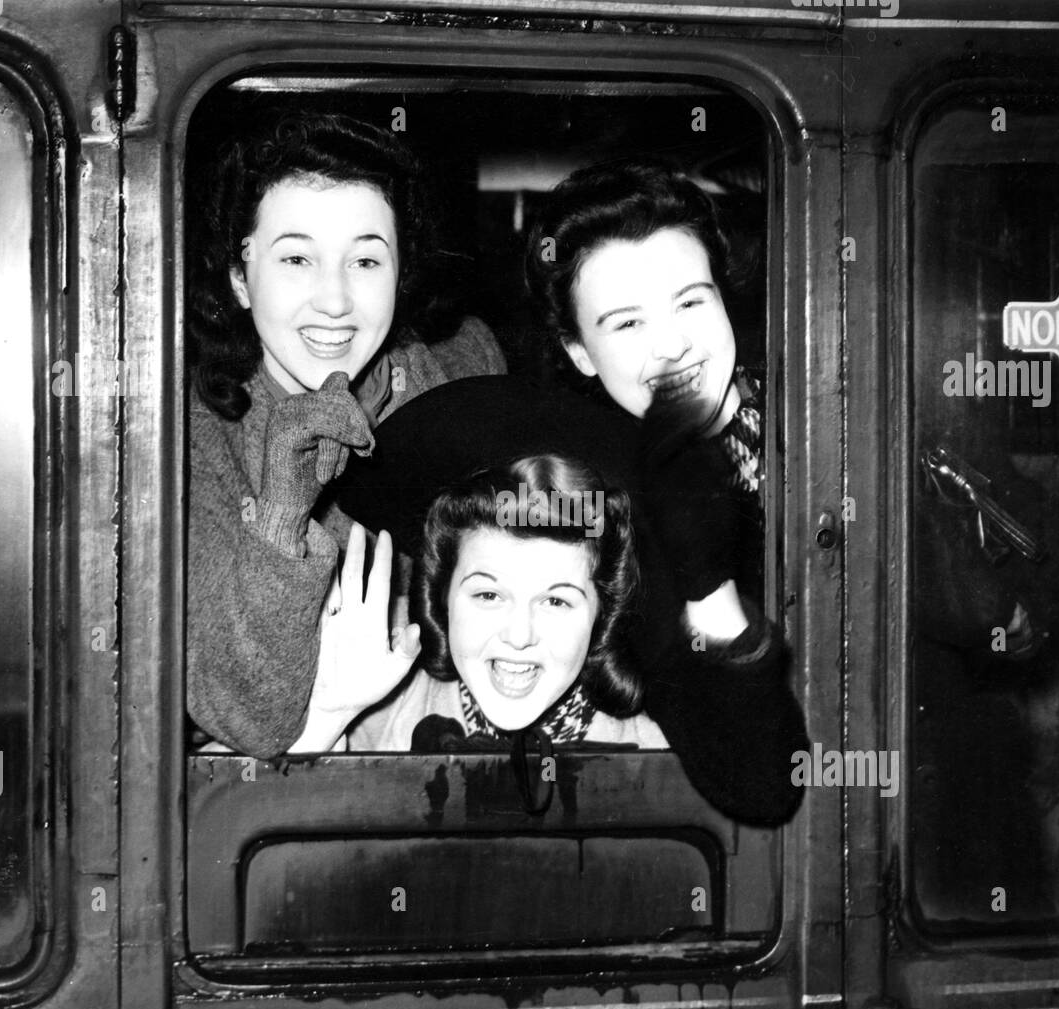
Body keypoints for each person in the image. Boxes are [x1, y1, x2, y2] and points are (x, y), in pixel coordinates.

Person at [337, 160, 806, 825]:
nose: (672, 346)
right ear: (581, 352)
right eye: (625, 324)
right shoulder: (606, 514)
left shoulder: (823, 417)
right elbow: (762, 786)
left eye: (691, 302)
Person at [186, 112, 505, 760]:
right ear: (240, 278)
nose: (334, 300)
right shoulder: (195, 436)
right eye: (297, 258)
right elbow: (252, 721)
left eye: (365, 259)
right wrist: (281, 514)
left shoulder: (464, 368)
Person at [293, 456, 667, 780]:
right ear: (444, 599)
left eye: (555, 601)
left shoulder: (662, 751)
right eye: (488, 595)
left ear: (602, 616)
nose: (519, 636)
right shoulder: (376, 712)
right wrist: (327, 717)